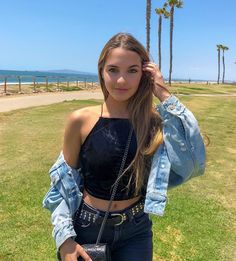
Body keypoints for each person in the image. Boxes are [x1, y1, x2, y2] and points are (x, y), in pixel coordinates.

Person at [42, 32, 206, 261]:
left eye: (132, 71)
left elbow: (192, 160)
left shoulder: (154, 122)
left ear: (144, 74)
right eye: (113, 70)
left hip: (135, 230)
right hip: (87, 227)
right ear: (101, 71)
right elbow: (63, 185)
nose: (121, 80)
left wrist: (162, 92)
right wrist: (65, 240)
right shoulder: (80, 120)